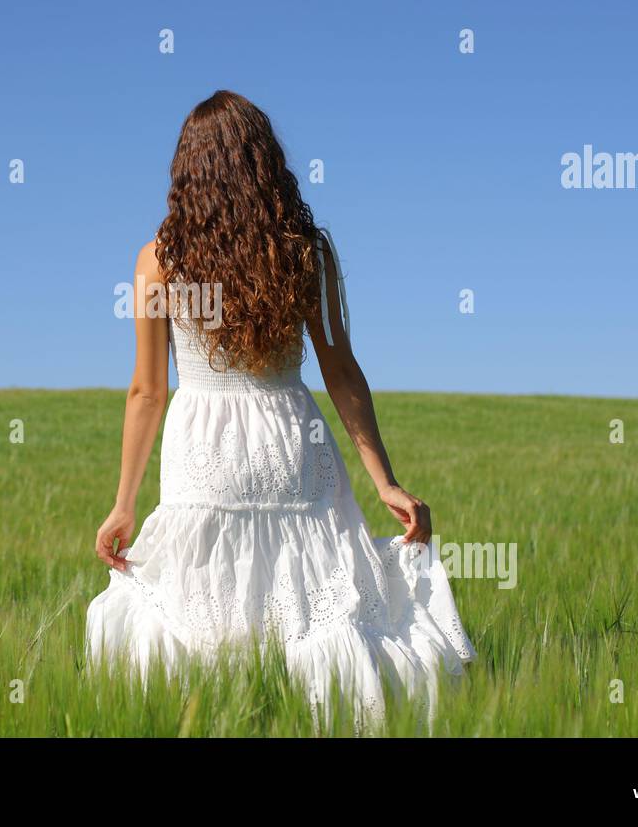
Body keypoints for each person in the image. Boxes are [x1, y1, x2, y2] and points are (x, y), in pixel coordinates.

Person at [85, 90, 475, 723]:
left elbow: (148, 391)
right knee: (309, 601)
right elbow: (340, 369)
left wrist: (124, 502)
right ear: (266, 160)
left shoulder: (156, 261)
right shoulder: (304, 251)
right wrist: (387, 481)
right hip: (290, 436)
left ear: (187, 172)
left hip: (203, 445)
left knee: (201, 602)